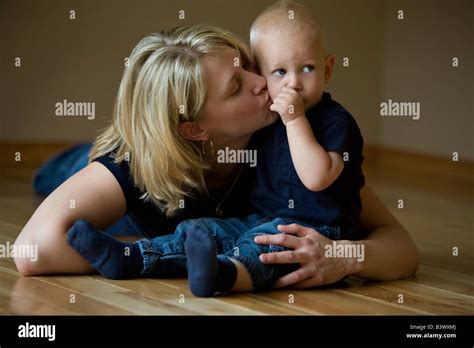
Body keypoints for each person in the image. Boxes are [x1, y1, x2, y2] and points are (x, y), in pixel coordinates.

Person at [14, 23, 418, 292]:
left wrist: (343, 258)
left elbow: (401, 245)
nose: (264, 82)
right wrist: (152, 256)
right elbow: (31, 251)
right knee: (61, 169)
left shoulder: (292, 140)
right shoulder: (131, 167)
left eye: (247, 66)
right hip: (85, 164)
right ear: (194, 128)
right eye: (236, 86)